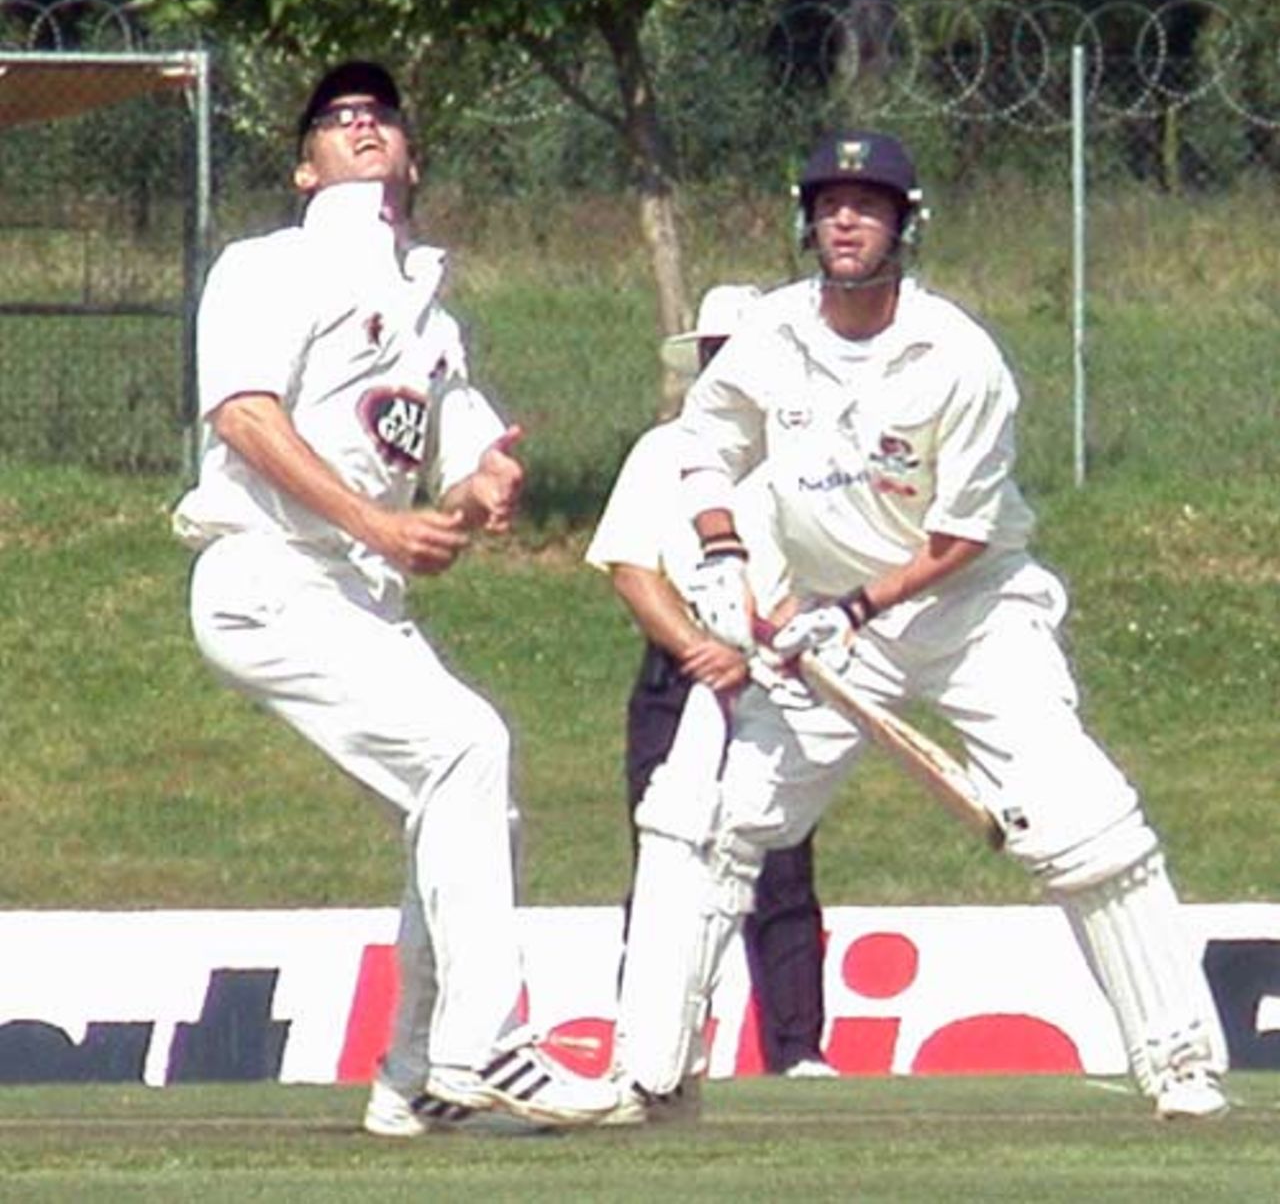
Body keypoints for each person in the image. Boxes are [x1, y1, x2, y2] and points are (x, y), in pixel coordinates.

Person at [610, 129, 1228, 1123]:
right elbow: (704, 448)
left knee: (1081, 819)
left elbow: (961, 537)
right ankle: (651, 1072)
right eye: (828, 202)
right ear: (803, 219)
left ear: (905, 222)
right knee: (709, 819)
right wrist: (723, 557)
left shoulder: (957, 355)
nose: (845, 218)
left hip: (967, 615)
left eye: (868, 203)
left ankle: (1179, 1060)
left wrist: (848, 608)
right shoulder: (770, 334)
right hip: (822, 628)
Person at [171, 60, 614, 1136]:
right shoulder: (271, 263)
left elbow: (461, 453)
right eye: (336, 118)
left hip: (356, 595)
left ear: (410, 153)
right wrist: (377, 523)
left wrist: (480, 488)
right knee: (466, 742)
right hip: (265, 575)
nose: (361, 126)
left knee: (471, 798)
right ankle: (485, 1042)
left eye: (380, 116)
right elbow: (241, 417)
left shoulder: (424, 310)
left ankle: (414, 1073)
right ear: (302, 162)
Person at [585, 284, 836, 1094]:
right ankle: (646, 1046)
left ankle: (798, 1049)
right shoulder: (665, 452)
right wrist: (702, 648)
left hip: (780, 673)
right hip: (681, 678)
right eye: (717, 355)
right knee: (665, 855)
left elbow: (833, 567)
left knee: (782, 865)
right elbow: (632, 566)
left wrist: (779, 634)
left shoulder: (810, 456)